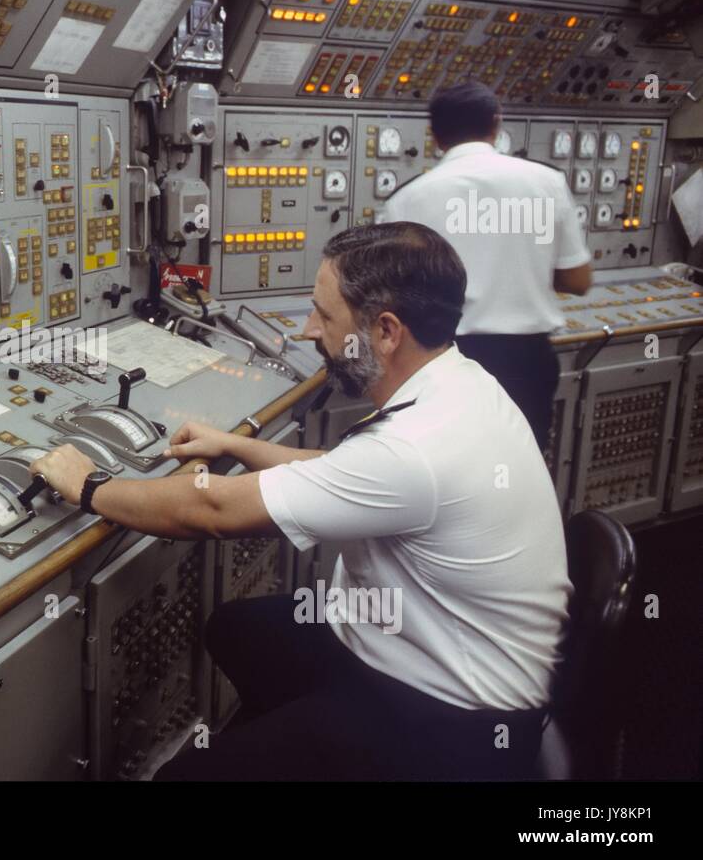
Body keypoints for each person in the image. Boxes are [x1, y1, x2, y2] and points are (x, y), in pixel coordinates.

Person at [30, 222, 572, 780]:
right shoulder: (459, 384)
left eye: (326, 315)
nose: (310, 330)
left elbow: (211, 511)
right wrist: (238, 444)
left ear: (385, 332)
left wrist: (90, 486)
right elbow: (347, 477)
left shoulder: (416, 447)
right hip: (416, 655)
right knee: (238, 631)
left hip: (453, 724)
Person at [377, 79, 593, 447]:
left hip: (442, 362)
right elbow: (578, 279)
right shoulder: (547, 182)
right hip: (526, 362)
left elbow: (390, 291)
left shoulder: (406, 200)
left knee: (446, 467)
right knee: (523, 462)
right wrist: (525, 270)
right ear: (496, 123)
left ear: (434, 136)